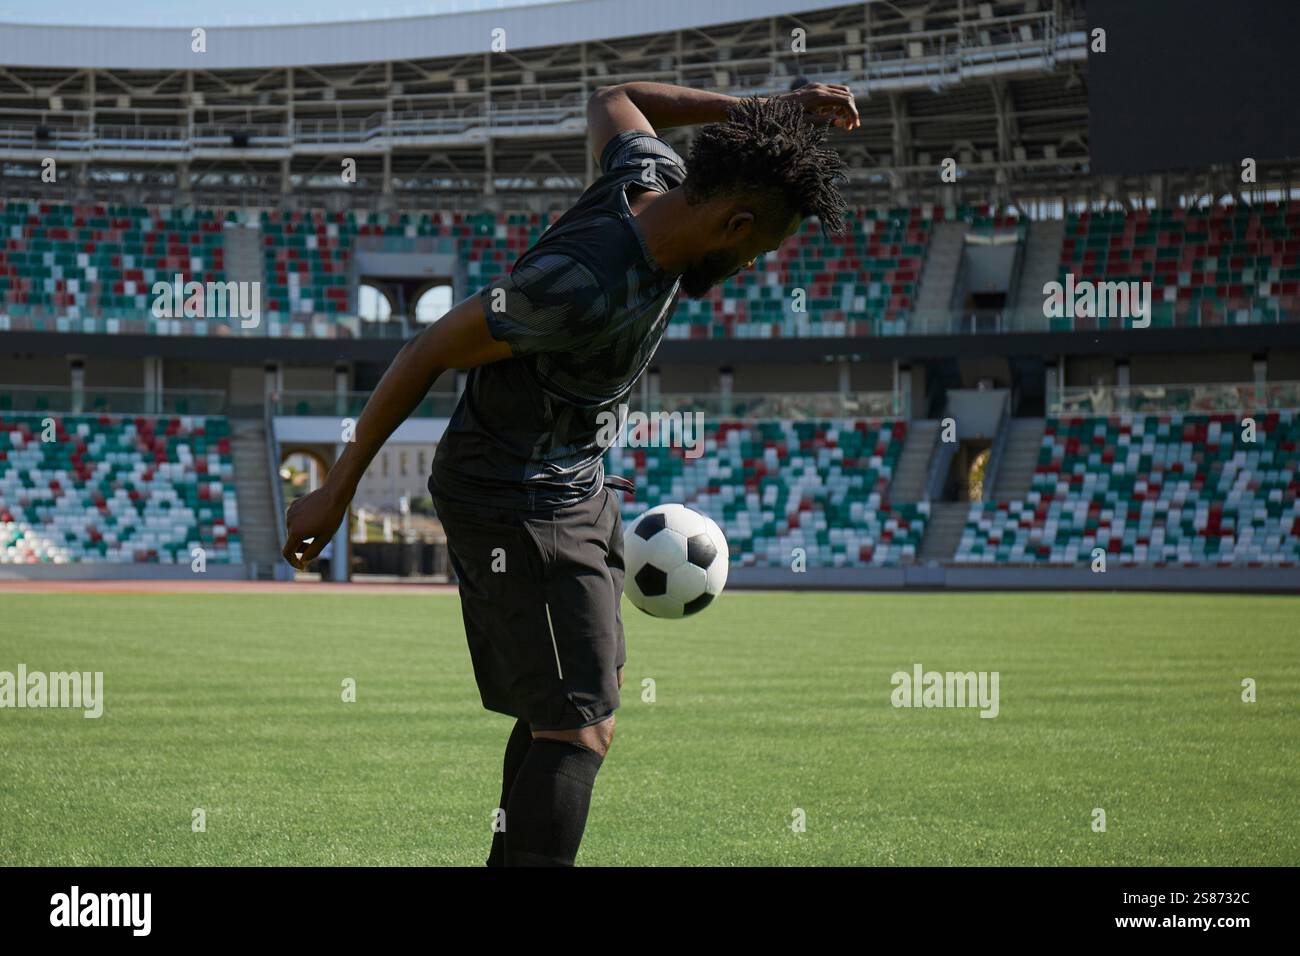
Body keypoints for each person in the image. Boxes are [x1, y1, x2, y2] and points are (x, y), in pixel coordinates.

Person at [282, 80, 857, 865]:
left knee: (568, 708)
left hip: (573, 479)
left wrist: (761, 108)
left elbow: (611, 94)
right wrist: (335, 491)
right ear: (736, 222)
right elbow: (426, 350)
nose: (754, 262)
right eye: (759, 249)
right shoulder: (577, 284)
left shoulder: (649, 170)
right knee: (578, 725)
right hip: (514, 494)